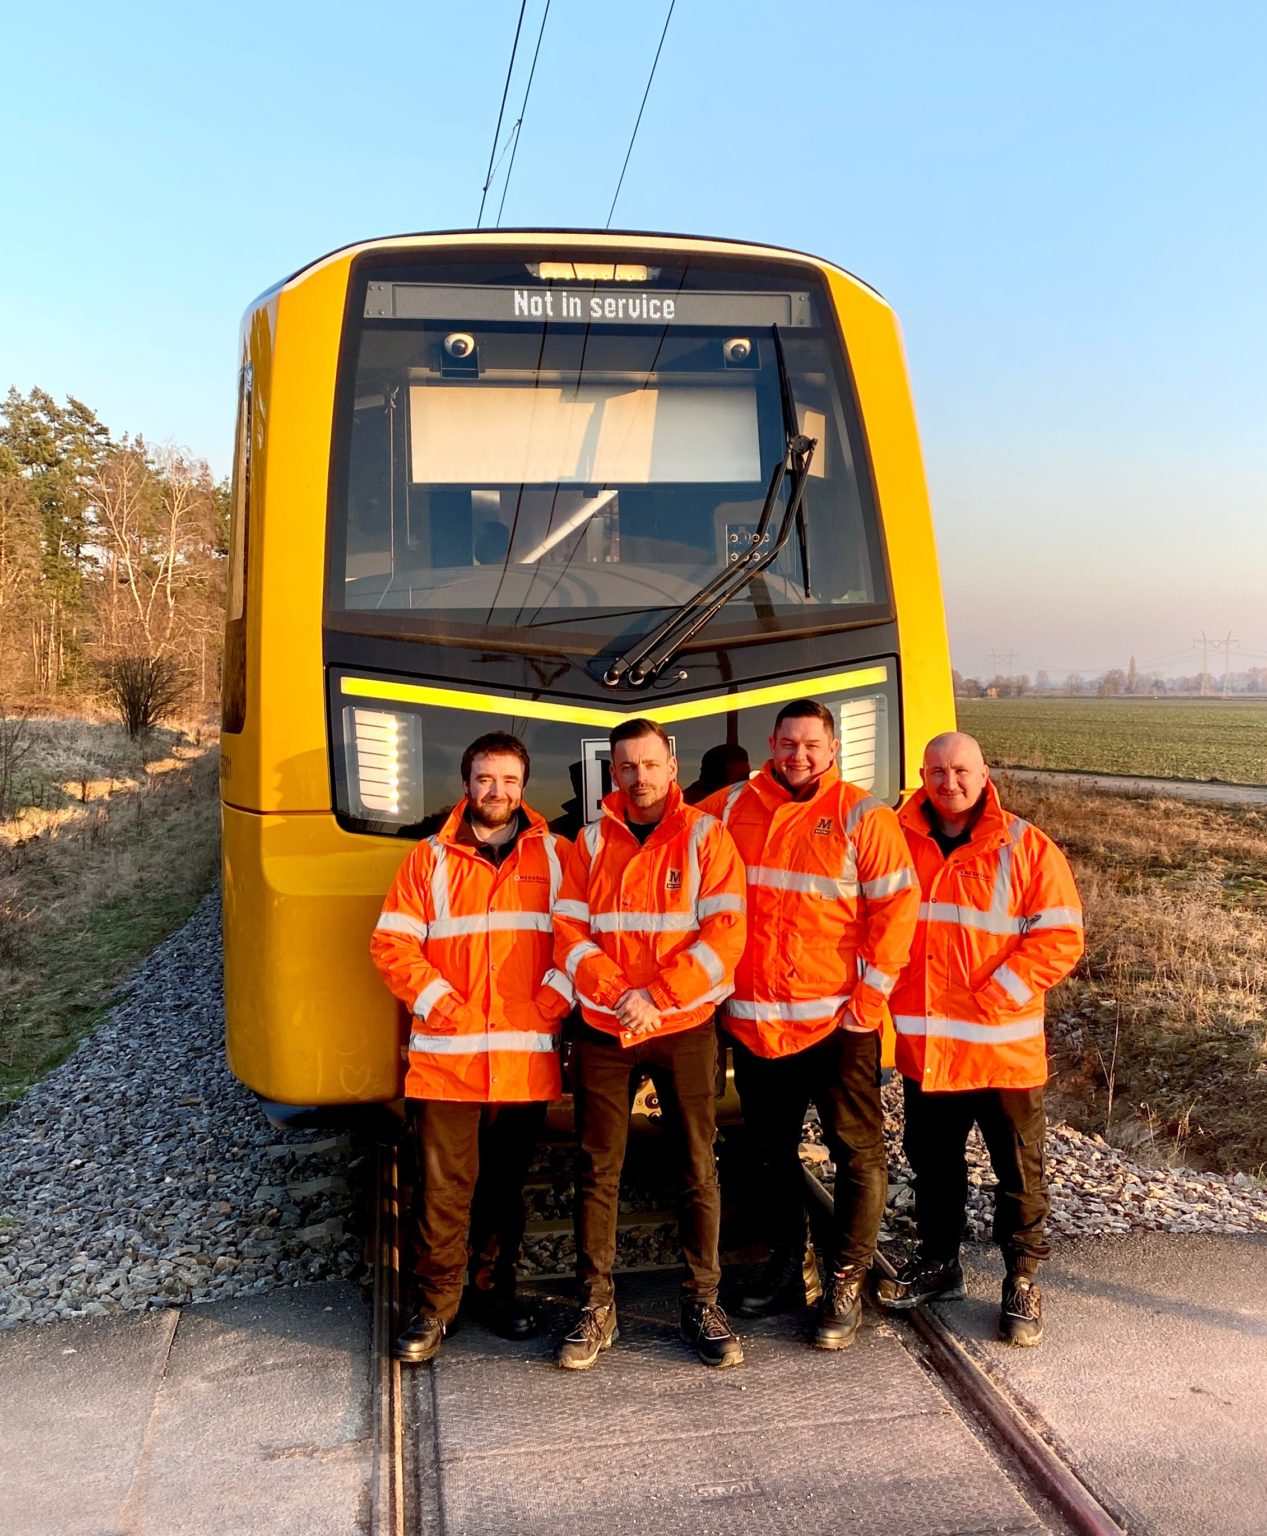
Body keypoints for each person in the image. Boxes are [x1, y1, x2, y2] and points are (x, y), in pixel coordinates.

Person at [702, 699, 919, 1349]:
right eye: (788, 743)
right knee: (769, 1156)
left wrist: (867, 1003)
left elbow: (895, 912)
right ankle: (786, 1266)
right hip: (754, 1023)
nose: (798, 755)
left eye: (811, 746)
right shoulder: (728, 809)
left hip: (837, 1024)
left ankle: (845, 1282)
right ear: (772, 743)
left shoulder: (862, 816)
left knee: (857, 1154)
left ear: (832, 751)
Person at [370, 732, 573, 1363]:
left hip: (521, 1056)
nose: (497, 792)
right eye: (485, 779)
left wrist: (551, 1001)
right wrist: (443, 1005)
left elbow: (581, 942)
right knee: (443, 1190)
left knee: (506, 1187)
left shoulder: (558, 857)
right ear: (466, 785)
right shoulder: (428, 860)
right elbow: (392, 945)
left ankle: (497, 1292)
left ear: (523, 786)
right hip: (448, 1058)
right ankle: (434, 1309)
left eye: (509, 781)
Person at [876, 732, 1084, 1347]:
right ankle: (941, 1263)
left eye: (960, 770)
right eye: (936, 771)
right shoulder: (895, 839)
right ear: (922, 774)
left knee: (1019, 1174)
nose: (949, 782)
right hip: (931, 1051)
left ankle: (1021, 1279)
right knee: (934, 1167)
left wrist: (996, 994)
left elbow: (1061, 935)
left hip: (1002, 1052)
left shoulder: (1024, 845)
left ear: (983, 772)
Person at [553, 718, 747, 1370]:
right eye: (627, 766)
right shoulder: (585, 843)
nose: (639, 777)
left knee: (697, 1165)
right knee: (596, 1168)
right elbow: (567, 935)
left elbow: (724, 936)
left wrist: (656, 997)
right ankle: (595, 1305)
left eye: (650, 764)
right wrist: (618, 994)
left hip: (684, 1026)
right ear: (613, 773)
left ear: (672, 764)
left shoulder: (705, 838)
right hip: (607, 1027)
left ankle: (701, 1301)